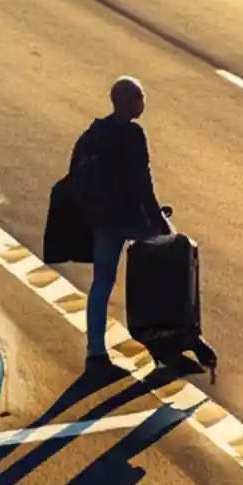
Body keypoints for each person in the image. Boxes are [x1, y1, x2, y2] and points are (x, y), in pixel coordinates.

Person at [69, 77, 173, 363]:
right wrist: (159, 219)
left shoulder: (95, 133)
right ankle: (165, 334)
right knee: (161, 268)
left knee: (102, 282)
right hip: (131, 218)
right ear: (128, 102)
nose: (143, 103)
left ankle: (96, 349)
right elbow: (143, 182)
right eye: (140, 98)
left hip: (103, 220)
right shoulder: (133, 135)